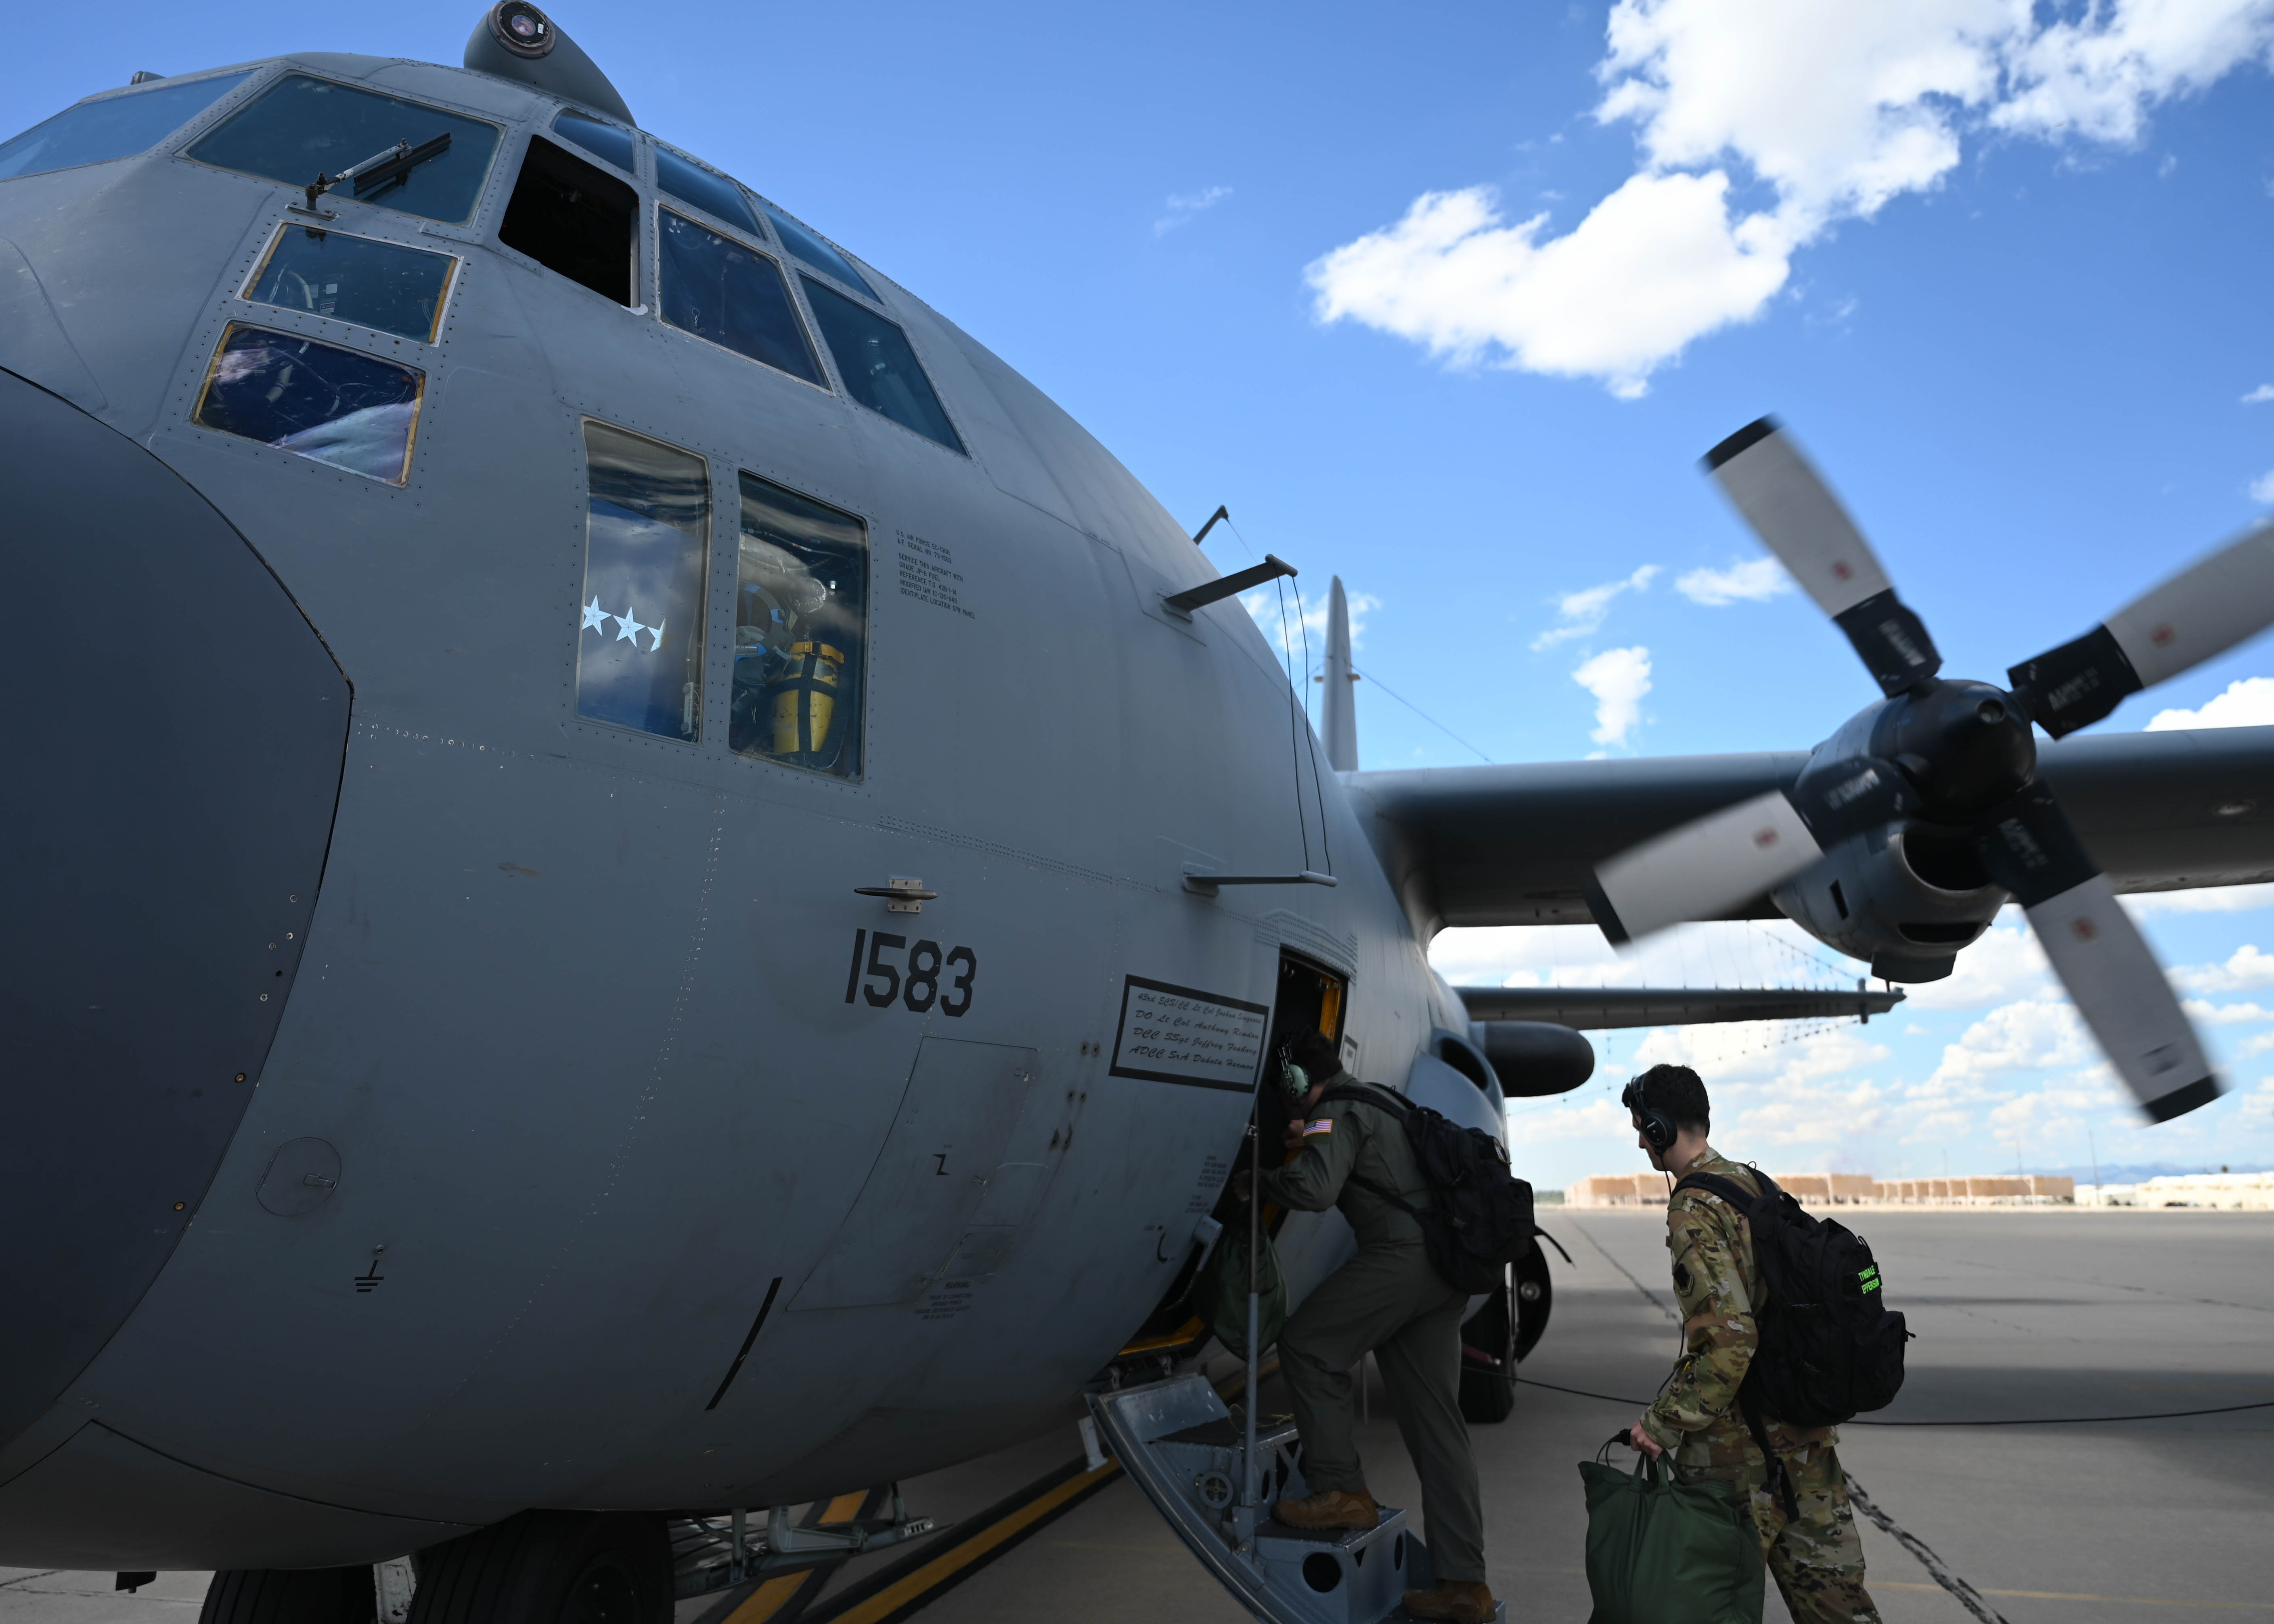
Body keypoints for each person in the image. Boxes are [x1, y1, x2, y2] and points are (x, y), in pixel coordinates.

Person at [1231, 1029, 1494, 1624]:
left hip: (1403, 1258)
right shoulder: (1380, 1100)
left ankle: (1341, 1492)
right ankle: (1464, 1586)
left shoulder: (1333, 1110)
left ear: (1296, 1082)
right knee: (1438, 1430)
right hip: (1446, 1266)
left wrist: (1261, 1181)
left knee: (1306, 1345)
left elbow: (1315, 1188)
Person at [1623, 1063, 1882, 1624]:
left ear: (1661, 1128)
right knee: (1836, 1604)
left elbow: (1730, 1340)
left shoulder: (1693, 1207)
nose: (1641, 1142)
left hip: (1736, 1455)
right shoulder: (1754, 1184)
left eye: (1643, 1128)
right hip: (1803, 1434)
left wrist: (1661, 1424)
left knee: (1701, 1607)